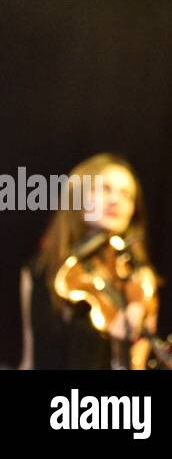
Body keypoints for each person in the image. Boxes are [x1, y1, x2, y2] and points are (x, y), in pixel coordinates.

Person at [19, 154, 161, 369]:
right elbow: (29, 361)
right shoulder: (37, 271)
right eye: (104, 188)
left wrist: (121, 347)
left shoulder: (138, 281)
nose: (116, 200)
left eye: (127, 195)